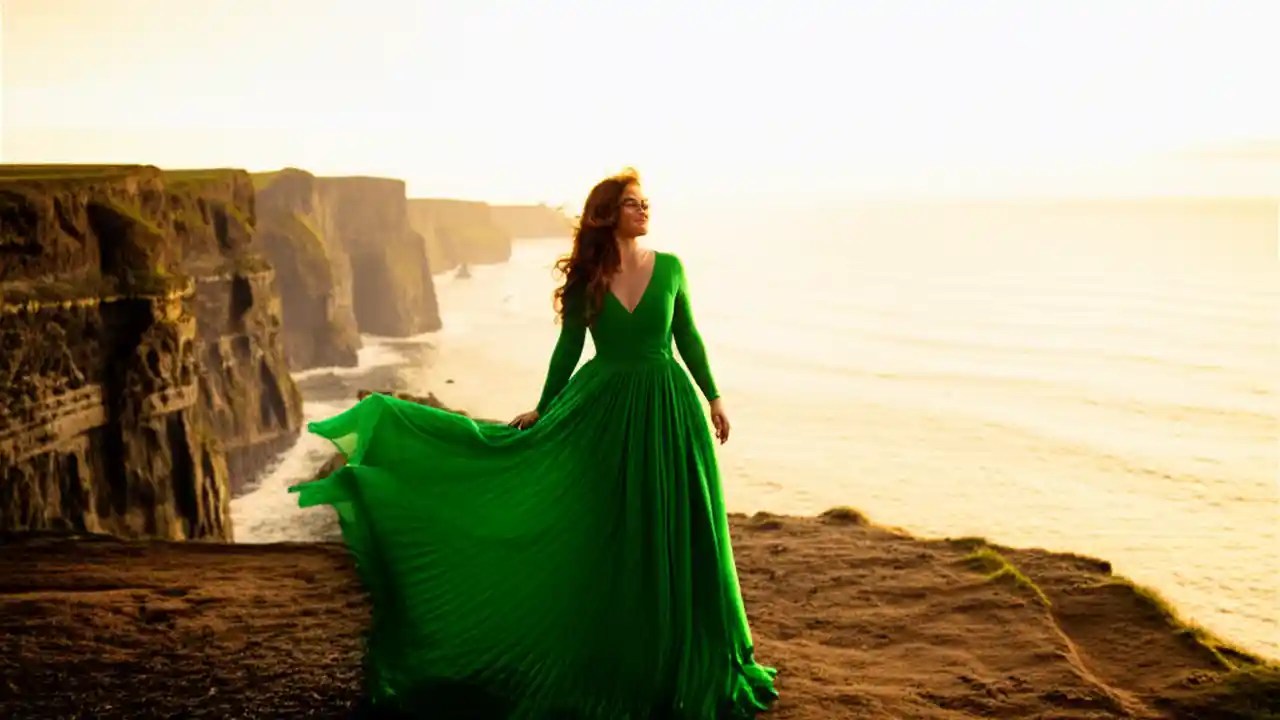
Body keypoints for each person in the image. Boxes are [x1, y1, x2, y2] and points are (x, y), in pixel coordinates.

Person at [290, 168, 778, 719]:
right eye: (634, 203)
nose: (645, 210)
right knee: (612, 531)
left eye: (646, 203)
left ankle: (686, 655)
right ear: (608, 213)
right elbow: (569, 350)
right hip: (606, 414)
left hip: (670, 411)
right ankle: (624, 653)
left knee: (684, 526)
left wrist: (712, 395)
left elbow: (686, 334)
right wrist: (544, 408)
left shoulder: (670, 268)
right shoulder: (587, 279)